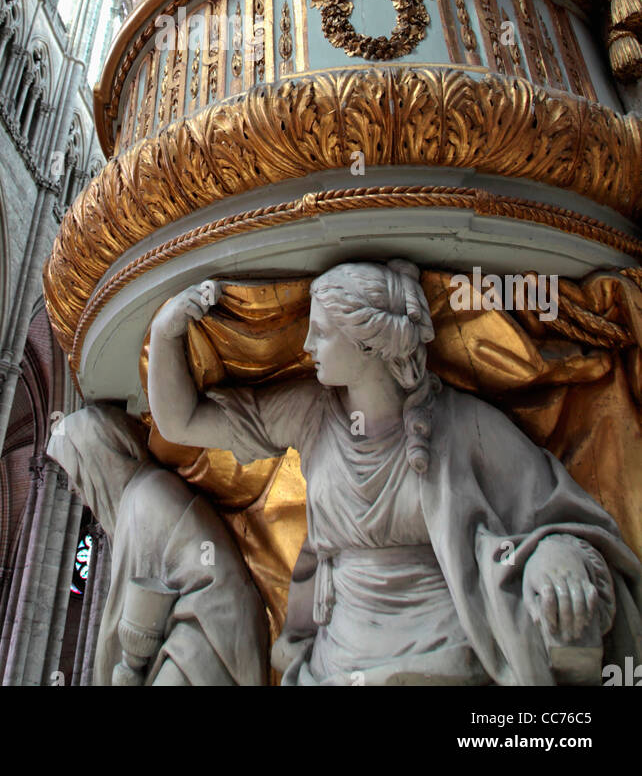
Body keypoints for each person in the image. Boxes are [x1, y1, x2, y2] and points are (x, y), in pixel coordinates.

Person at [148, 260, 642, 686]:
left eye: (321, 331)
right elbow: (183, 421)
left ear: (366, 344)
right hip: (334, 662)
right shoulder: (311, 413)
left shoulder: (460, 425)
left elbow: (561, 520)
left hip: (447, 659)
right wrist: (168, 334)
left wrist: (552, 555)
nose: (306, 343)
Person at [47, 402, 269, 686]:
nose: (71, 487)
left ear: (98, 459)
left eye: (74, 472)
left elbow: (223, 593)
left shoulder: (151, 496)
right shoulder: (134, 504)